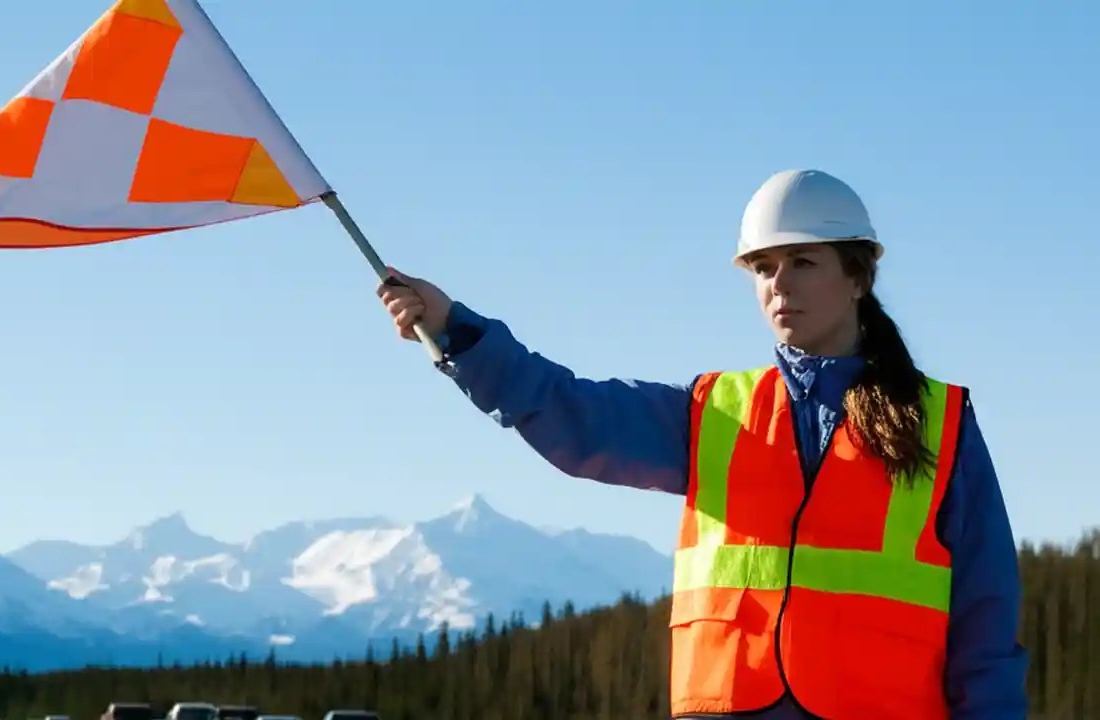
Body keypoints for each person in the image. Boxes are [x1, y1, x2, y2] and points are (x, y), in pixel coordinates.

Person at [376, 169, 1029, 719]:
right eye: (764, 267)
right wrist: (456, 331)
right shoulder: (714, 412)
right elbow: (573, 415)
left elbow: (986, 617)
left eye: (803, 262)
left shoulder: (936, 423)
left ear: (857, 278)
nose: (780, 283)